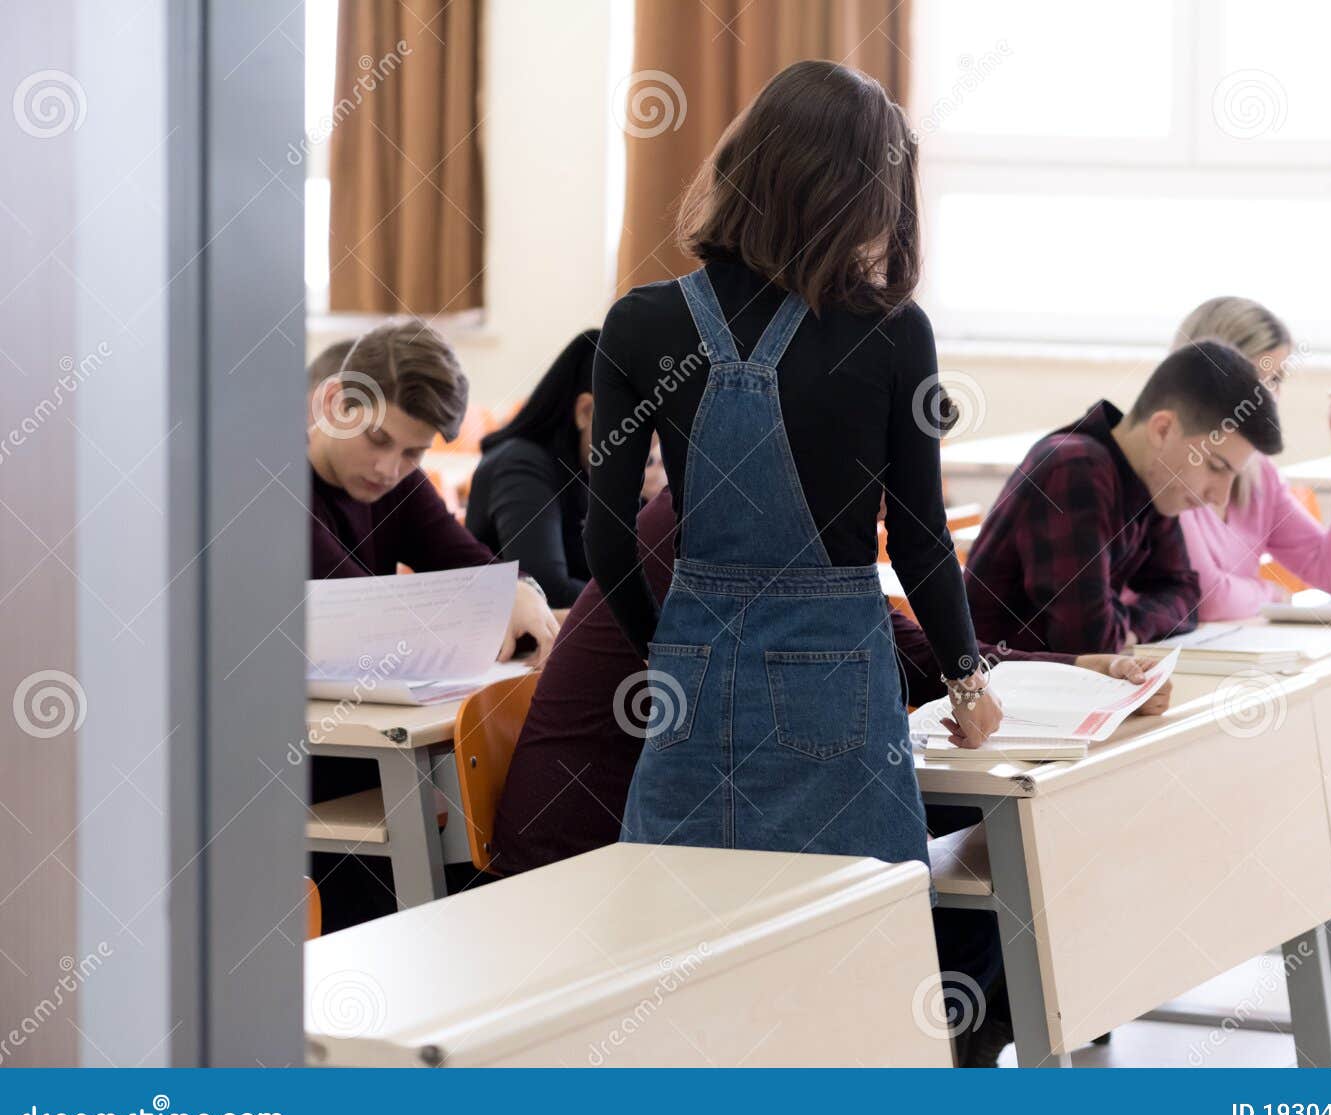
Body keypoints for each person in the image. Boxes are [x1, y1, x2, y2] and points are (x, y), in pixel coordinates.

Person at [584, 60, 1003, 877]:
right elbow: (919, 538)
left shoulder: (638, 322)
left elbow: (607, 542)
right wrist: (966, 681)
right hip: (837, 684)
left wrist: (664, 651)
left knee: (683, 923)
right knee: (851, 933)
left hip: (690, 684)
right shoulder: (892, 331)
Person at [494, 489, 1170, 876]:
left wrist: (1081, 669)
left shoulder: (780, 511)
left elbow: (901, 643)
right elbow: (879, 656)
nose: (879, 528)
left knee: (979, 849)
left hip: (697, 832)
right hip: (589, 852)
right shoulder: (718, 518)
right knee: (917, 873)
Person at [304, 320, 559, 930]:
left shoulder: (398, 485)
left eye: (414, 452)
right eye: (378, 439)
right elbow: (366, 614)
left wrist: (522, 589)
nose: (391, 468)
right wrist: (495, 597)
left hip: (368, 741)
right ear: (337, 402)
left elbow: (477, 573)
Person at [963, 341, 1284, 656]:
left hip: (1065, 694)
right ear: (1162, 430)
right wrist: (1123, 630)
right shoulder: (1076, 468)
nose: (1220, 496)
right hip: (1004, 696)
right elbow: (1089, 642)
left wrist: (1126, 628)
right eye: (1216, 466)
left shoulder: (1152, 481)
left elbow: (1186, 597)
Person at [1171, 297, 1331, 619]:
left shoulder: (1259, 476)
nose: (1266, 396)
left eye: (1276, 379)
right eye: (1254, 377)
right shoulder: (1165, 470)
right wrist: (1271, 594)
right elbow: (1207, 598)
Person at [466, 330, 600, 607]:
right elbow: (546, 589)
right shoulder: (522, 464)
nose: (644, 455)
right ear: (586, 411)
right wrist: (647, 608)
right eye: (640, 433)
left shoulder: (589, 470)